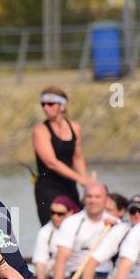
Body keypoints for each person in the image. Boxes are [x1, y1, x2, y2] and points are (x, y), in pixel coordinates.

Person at [52, 181, 126, 279]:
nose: (93, 201)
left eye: (98, 197)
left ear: (106, 200)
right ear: (84, 199)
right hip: (75, 275)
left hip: (104, 277)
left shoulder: (116, 224)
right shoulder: (71, 222)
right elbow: (61, 258)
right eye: (89, 196)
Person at [31, 87, 87, 225]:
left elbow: (77, 157)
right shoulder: (40, 131)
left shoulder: (75, 127)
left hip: (69, 186)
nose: (46, 108)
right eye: (43, 104)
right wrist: (81, 179)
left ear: (62, 106)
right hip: (48, 187)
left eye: (50, 104)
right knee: (53, 226)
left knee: (75, 224)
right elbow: (51, 162)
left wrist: (87, 183)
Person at [31, 194, 77, 279]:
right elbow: (40, 261)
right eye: (52, 213)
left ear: (71, 212)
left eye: (60, 214)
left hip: (76, 275)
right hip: (52, 277)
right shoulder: (45, 231)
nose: (55, 217)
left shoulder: (79, 227)